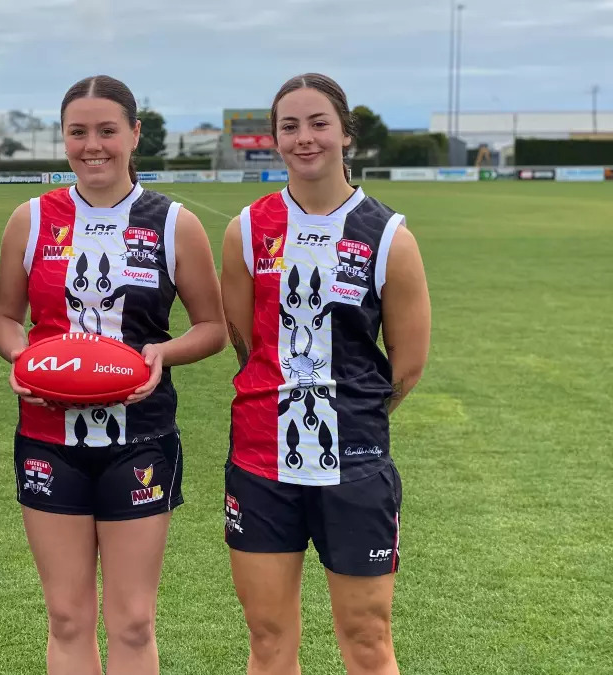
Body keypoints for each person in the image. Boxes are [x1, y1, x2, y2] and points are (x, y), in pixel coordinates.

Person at [0, 74, 228, 675]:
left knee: (133, 619)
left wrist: (162, 355)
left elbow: (212, 327)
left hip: (141, 438)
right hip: (48, 437)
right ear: (63, 138)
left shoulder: (175, 223)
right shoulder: (31, 219)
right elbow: (3, 318)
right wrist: (22, 359)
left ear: (134, 135)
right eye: (78, 132)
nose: (92, 145)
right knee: (66, 617)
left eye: (107, 131)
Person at [220, 73, 432, 675]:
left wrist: (354, 416)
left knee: (366, 637)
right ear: (275, 138)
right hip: (261, 462)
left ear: (345, 132)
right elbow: (247, 343)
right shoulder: (246, 231)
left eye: (318, 123)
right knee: (267, 637)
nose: (304, 138)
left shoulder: (389, 235)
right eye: (290, 126)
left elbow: (408, 365)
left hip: (356, 465)